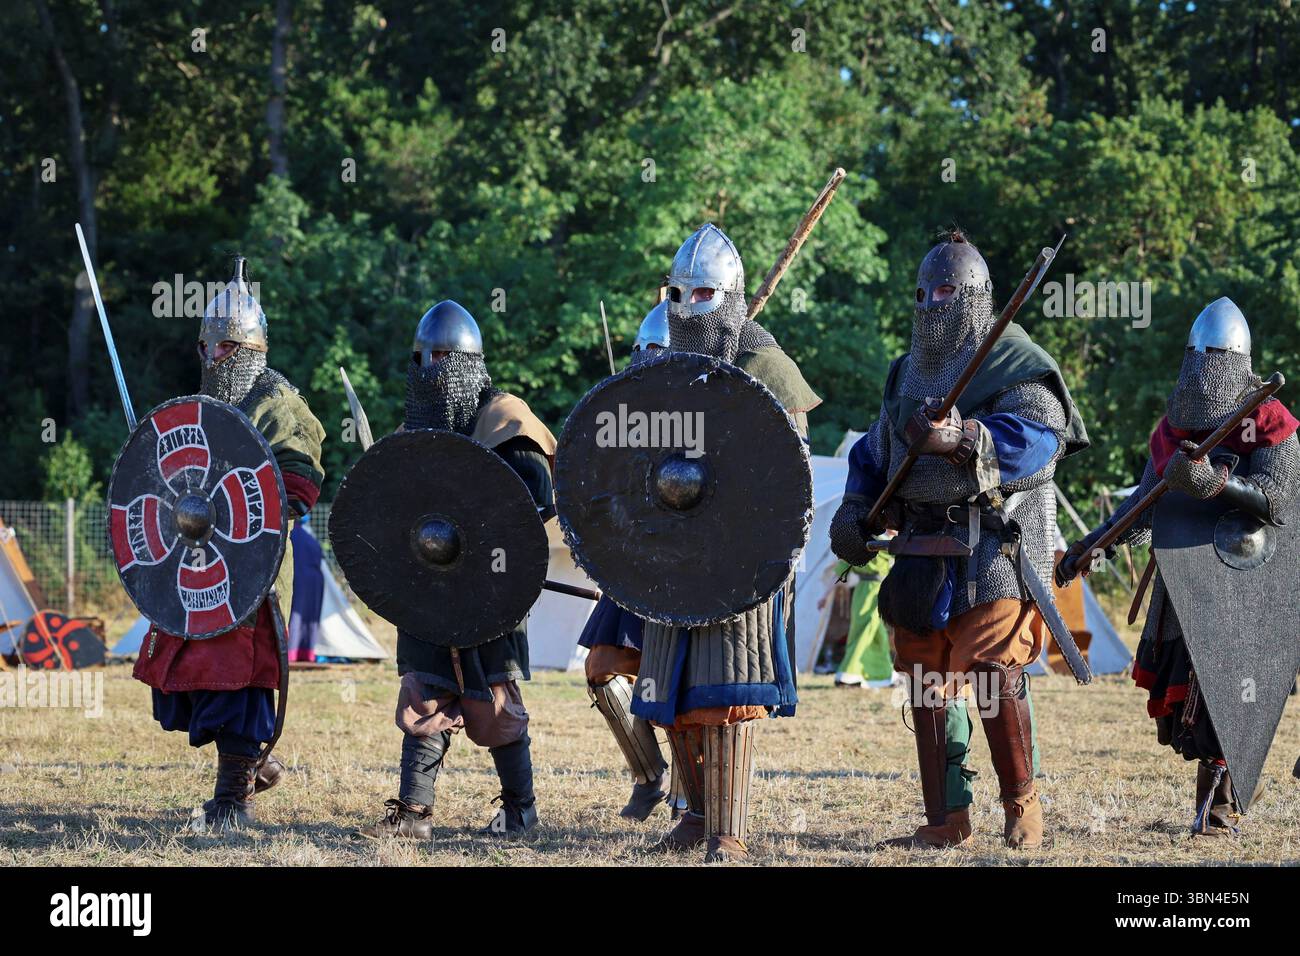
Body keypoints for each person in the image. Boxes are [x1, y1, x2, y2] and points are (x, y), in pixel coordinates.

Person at [828, 229, 1088, 850]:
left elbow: (1039, 442)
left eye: (945, 289)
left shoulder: (1013, 361)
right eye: (922, 292)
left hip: (988, 549)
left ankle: (1021, 805)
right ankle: (947, 818)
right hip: (918, 552)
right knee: (924, 685)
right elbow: (872, 453)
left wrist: (967, 436)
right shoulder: (905, 373)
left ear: (973, 293)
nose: (931, 302)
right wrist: (855, 512)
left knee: (998, 678)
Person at [1057, 297, 1298, 834]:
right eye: (1196, 355)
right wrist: (1096, 544)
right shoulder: (1172, 429)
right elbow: (1143, 507)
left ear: (1236, 359)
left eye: (1213, 355)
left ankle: (1214, 810)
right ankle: (1225, 790)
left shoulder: (1271, 421)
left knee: (1227, 695)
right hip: (1186, 579)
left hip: (1247, 578)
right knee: (1186, 707)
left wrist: (1217, 483)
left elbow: (1279, 501)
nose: (1204, 366)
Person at [631, 223, 821, 862]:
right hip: (671, 548)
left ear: (731, 295)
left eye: (704, 292)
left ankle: (727, 830)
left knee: (727, 692)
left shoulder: (765, 367)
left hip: (741, 554)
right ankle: (692, 816)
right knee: (676, 692)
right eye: (678, 291)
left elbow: (790, 478)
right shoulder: (661, 370)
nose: (687, 305)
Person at [133, 256, 326, 830]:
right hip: (194, 563)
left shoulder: (280, 404)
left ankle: (232, 797)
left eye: (223, 348)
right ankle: (253, 763)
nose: (211, 357)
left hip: (250, 569)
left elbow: (298, 482)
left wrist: (248, 508)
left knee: (237, 679)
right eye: (206, 347)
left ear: (249, 350)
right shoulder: (205, 408)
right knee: (184, 683)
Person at [360, 300, 557, 841]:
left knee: (493, 702)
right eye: (424, 358)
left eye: (444, 357)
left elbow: (535, 511)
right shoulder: (414, 431)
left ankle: (520, 809)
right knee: (424, 691)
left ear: (469, 362)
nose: (432, 369)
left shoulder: (508, 425)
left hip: (494, 585)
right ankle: (414, 814)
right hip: (430, 585)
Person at [579, 301, 673, 821]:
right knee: (601, 668)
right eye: (639, 355)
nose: (644, 363)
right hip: (633, 570)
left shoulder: (708, 409)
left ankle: (691, 793)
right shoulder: (623, 419)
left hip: (685, 572)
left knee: (684, 685)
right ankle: (649, 774)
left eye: (654, 353)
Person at [820, 554, 896, 688]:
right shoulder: (876, 545)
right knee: (863, 633)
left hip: (870, 593)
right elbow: (839, 572)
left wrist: (825, 596)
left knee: (878, 636)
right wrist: (825, 596)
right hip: (871, 594)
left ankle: (882, 676)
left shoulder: (858, 546)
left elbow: (839, 572)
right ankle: (848, 674)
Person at [287, 515, 324, 663]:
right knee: (309, 618)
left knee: (294, 616)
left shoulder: (289, 537)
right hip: (315, 582)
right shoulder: (310, 539)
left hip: (297, 578)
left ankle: (291, 653)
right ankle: (307, 652)